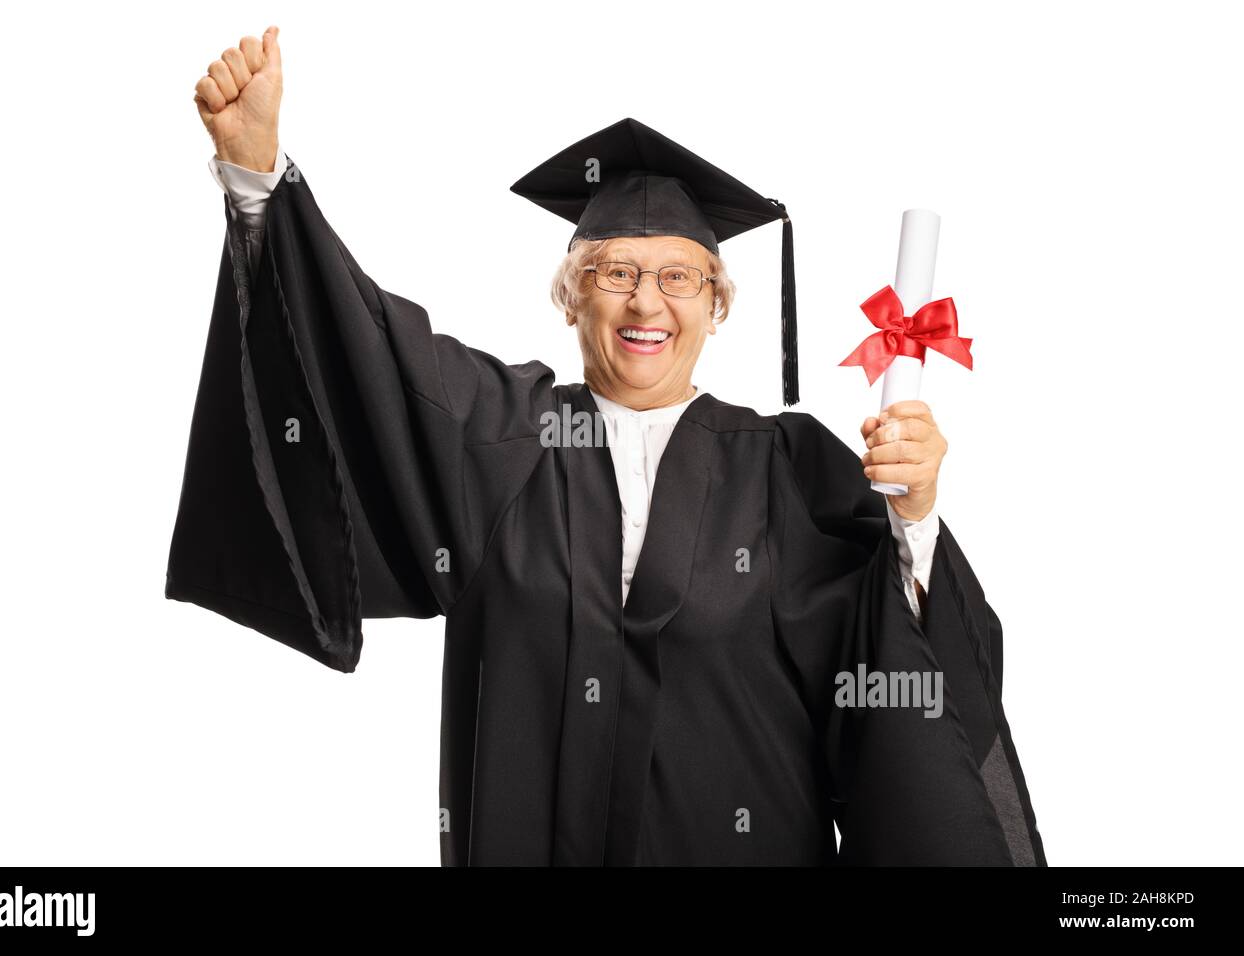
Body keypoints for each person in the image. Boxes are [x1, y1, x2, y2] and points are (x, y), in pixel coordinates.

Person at [169, 25, 1046, 866]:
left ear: (717, 304)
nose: (645, 302)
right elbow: (361, 347)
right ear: (570, 296)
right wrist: (258, 180)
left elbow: (898, 661)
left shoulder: (793, 467)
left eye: (677, 277)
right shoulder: (498, 434)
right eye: (614, 272)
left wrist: (917, 518)